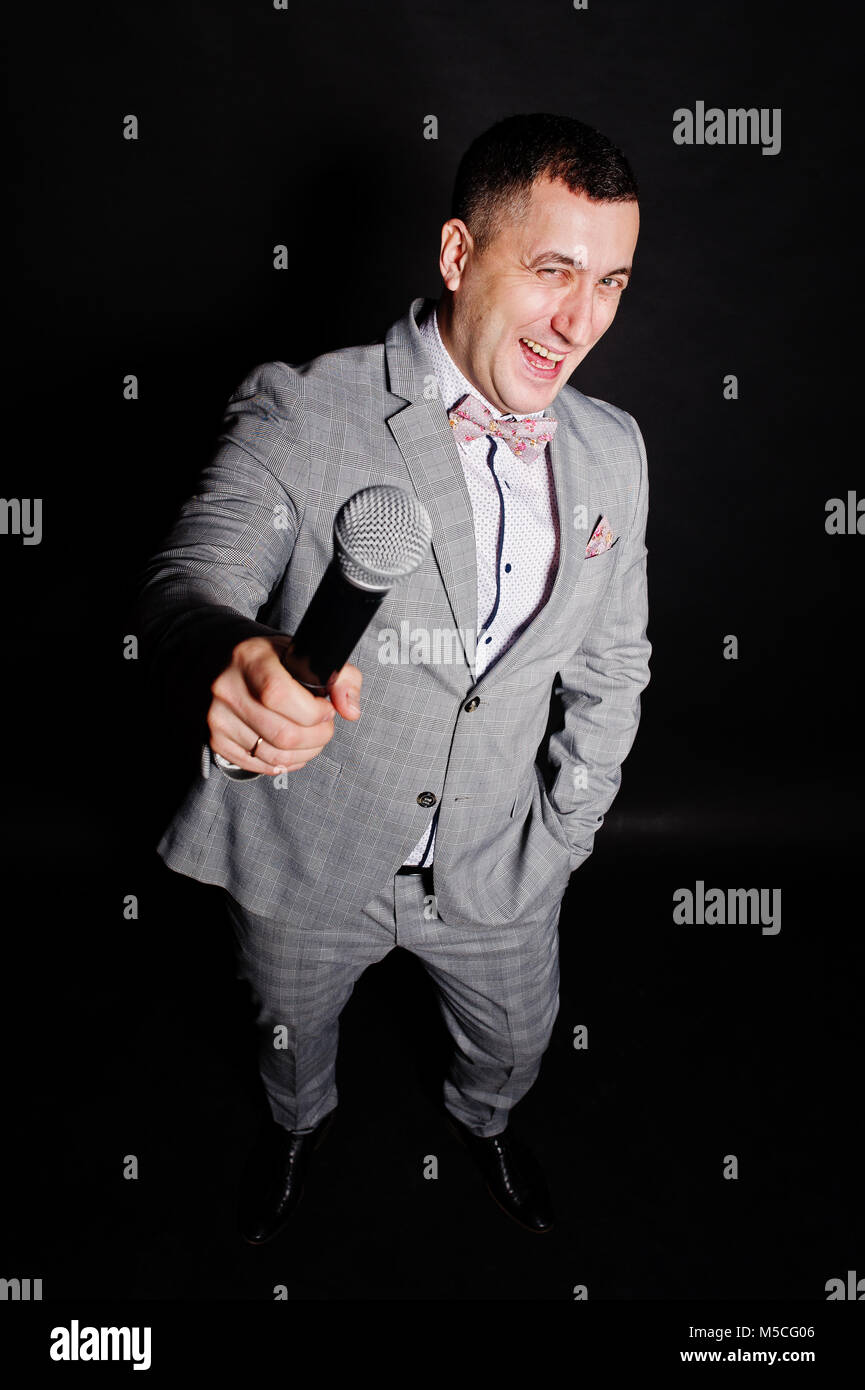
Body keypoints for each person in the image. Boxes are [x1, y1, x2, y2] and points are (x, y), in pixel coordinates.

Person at [137, 112, 651, 1243]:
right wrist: (221, 656)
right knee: (289, 1038)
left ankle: (484, 1120)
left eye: (610, 281)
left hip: (500, 865)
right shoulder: (303, 408)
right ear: (460, 254)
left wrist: (565, 831)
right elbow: (194, 573)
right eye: (553, 271)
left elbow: (614, 664)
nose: (581, 320)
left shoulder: (614, 448)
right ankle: (296, 1127)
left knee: (514, 1046)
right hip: (307, 852)